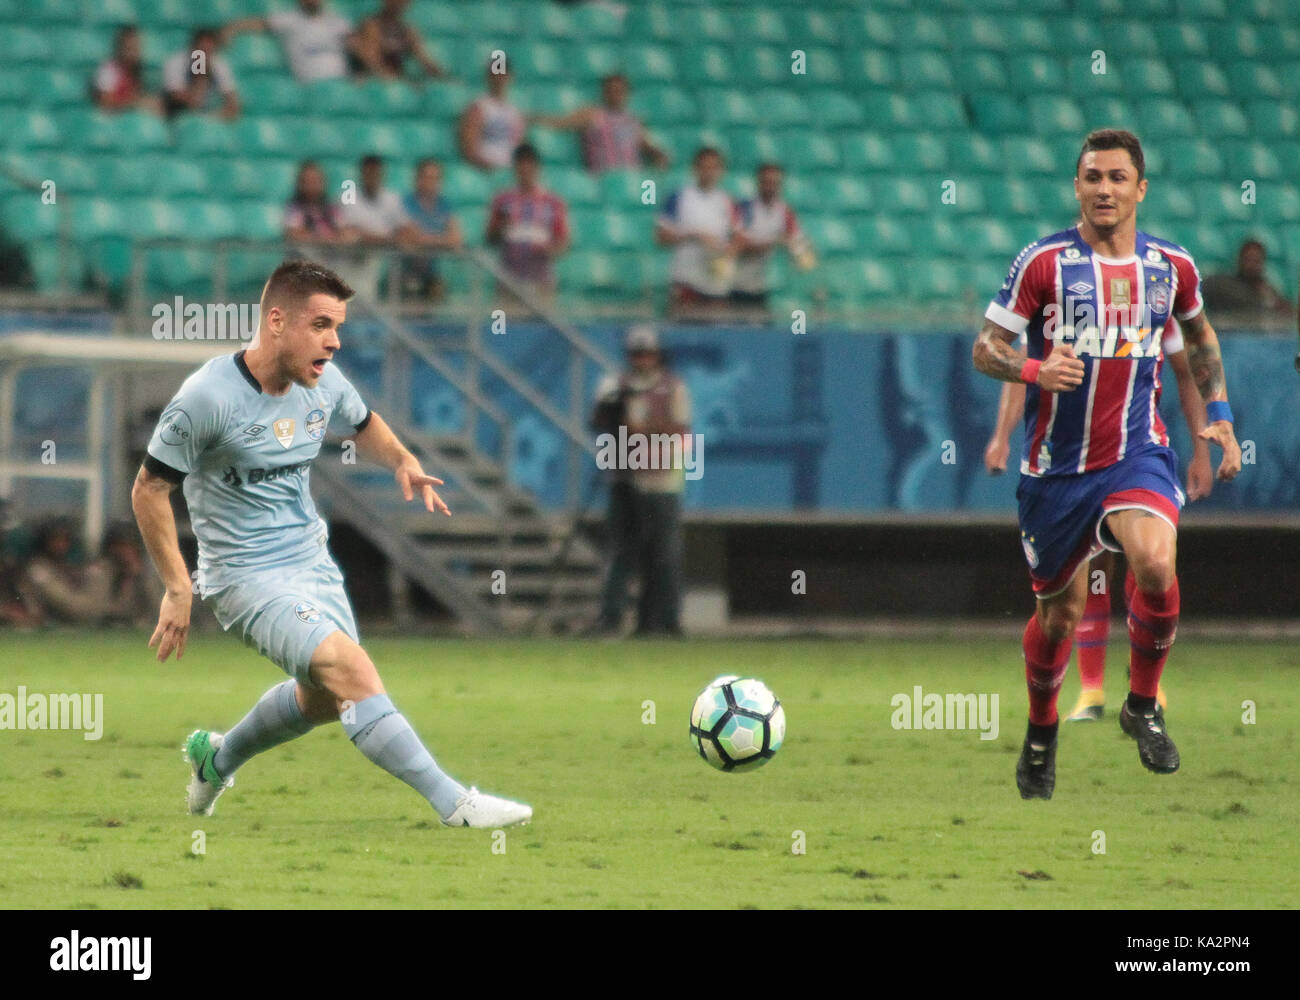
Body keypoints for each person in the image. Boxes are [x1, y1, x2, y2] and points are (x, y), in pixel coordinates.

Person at [132, 259, 531, 827]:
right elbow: (149, 488)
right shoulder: (206, 398)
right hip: (245, 578)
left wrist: (402, 460)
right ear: (276, 322)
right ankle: (456, 805)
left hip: (312, 564)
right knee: (351, 670)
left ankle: (215, 761)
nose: (335, 342)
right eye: (321, 325)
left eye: (338, 327)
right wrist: (177, 586)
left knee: (322, 697)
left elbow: (363, 421)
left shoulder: (321, 383)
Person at [972, 128, 1241, 799]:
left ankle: (1141, 705)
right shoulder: (1042, 264)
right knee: (1058, 619)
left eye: (1118, 178)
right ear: (1077, 187)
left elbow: (1201, 339)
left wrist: (1222, 421)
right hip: (1056, 471)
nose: (1104, 189)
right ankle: (1040, 736)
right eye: (1093, 177)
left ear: (1140, 189)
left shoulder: (1171, 268)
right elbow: (986, 348)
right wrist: (1036, 366)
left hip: (1135, 454)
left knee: (1154, 563)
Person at [984, 320, 1215, 721]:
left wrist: (1202, 451)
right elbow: (1021, 368)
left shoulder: (1155, 293)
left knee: (1145, 557)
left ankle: (1144, 685)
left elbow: (1188, 370)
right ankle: (1091, 690)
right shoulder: (1058, 298)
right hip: (1070, 463)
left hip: (1131, 455)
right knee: (1091, 568)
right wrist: (1002, 436)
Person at [589, 325, 690, 636]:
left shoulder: (673, 388)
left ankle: (664, 620)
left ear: (658, 355)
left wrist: (641, 428)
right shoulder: (615, 384)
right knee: (621, 550)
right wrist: (610, 411)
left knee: (663, 554)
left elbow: (680, 430)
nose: (642, 360)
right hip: (624, 477)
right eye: (637, 354)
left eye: (647, 354)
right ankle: (612, 618)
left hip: (662, 480)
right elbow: (599, 422)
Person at [529, 73, 668, 173]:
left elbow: (648, 146)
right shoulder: (593, 114)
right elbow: (560, 123)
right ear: (604, 92)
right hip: (603, 180)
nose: (615, 94)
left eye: (619, 91)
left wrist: (658, 156)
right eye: (611, 90)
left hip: (632, 179)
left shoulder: (633, 121)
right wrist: (533, 118)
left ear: (626, 93)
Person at [655, 147, 736, 318]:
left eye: (713, 168)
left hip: (715, 281)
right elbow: (661, 237)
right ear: (695, 169)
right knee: (684, 331)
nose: (709, 172)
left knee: (714, 336)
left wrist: (726, 253)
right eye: (704, 167)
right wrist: (694, 236)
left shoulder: (727, 201)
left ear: (721, 171)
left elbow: (737, 239)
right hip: (686, 278)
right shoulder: (679, 197)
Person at [484, 143, 570, 303]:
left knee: (541, 325)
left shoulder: (553, 202)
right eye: (521, 166)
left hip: (541, 280)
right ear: (515, 168)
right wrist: (502, 229)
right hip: (508, 279)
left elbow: (563, 241)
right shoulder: (503, 201)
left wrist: (548, 250)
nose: (525, 171)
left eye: (529, 166)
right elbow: (490, 238)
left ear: (537, 167)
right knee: (503, 325)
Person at [730, 163, 814, 311]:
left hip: (760, 286)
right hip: (734, 286)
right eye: (766, 182)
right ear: (758, 182)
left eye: (774, 183)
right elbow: (739, 246)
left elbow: (799, 246)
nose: (770, 187)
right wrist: (775, 242)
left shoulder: (785, 213)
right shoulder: (744, 209)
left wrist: (802, 256)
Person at [223, 0, 357, 84]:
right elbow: (259, 23)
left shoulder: (339, 23)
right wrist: (231, 28)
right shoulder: (289, 20)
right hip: (311, 86)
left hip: (342, 84)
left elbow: (359, 48)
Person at [400, 158, 463, 300]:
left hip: (433, 272)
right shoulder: (405, 203)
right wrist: (441, 240)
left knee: (438, 293)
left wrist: (426, 239)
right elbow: (409, 238)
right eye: (427, 177)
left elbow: (456, 239)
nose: (431, 182)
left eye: (435, 178)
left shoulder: (445, 205)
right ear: (418, 178)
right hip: (408, 271)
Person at [458, 59, 526, 171]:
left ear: (509, 77)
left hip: (509, 171)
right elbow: (468, 147)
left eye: (503, 74)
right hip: (484, 169)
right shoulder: (479, 107)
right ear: (489, 76)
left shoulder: (514, 112)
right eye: (496, 74)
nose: (499, 79)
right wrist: (486, 166)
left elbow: (519, 145)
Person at [352, 0, 446, 80]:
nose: (400, 2)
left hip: (397, 83)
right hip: (374, 82)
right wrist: (396, 81)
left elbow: (425, 60)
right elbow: (373, 63)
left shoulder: (407, 30)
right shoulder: (371, 26)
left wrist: (444, 78)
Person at [1200, 239, 1292, 318]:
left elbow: (1286, 312)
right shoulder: (1222, 285)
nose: (1251, 265)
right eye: (1248, 259)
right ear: (1240, 259)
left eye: (1256, 260)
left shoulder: (1266, 291)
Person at [162, 27, 240, 120]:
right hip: (179, 115)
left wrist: (218, 116)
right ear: (192, 48)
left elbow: (233, 101)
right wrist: (201, 77)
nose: (204, 56)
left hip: (210, 115)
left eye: (209, 51)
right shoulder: (175, 63)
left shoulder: (219, 63)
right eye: (201, 51)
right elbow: (182, 100)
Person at [91, 25, 161, 114]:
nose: (134, 51)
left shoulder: (139, 70)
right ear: (121, 47)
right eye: (130, 47)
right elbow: (105, 103)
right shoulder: (108, 70)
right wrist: (135, 103)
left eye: (136, 47)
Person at [283, 161, 353, 246]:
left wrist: (341, 238)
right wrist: (323, 240)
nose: (312, 184)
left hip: (332, 254)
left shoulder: (332, 208)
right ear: (300, 184)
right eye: (308, 180)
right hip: (306, 255)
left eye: (315, 180)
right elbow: (293, 234)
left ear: (323, 182)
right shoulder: (294, 209)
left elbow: (346, 232)